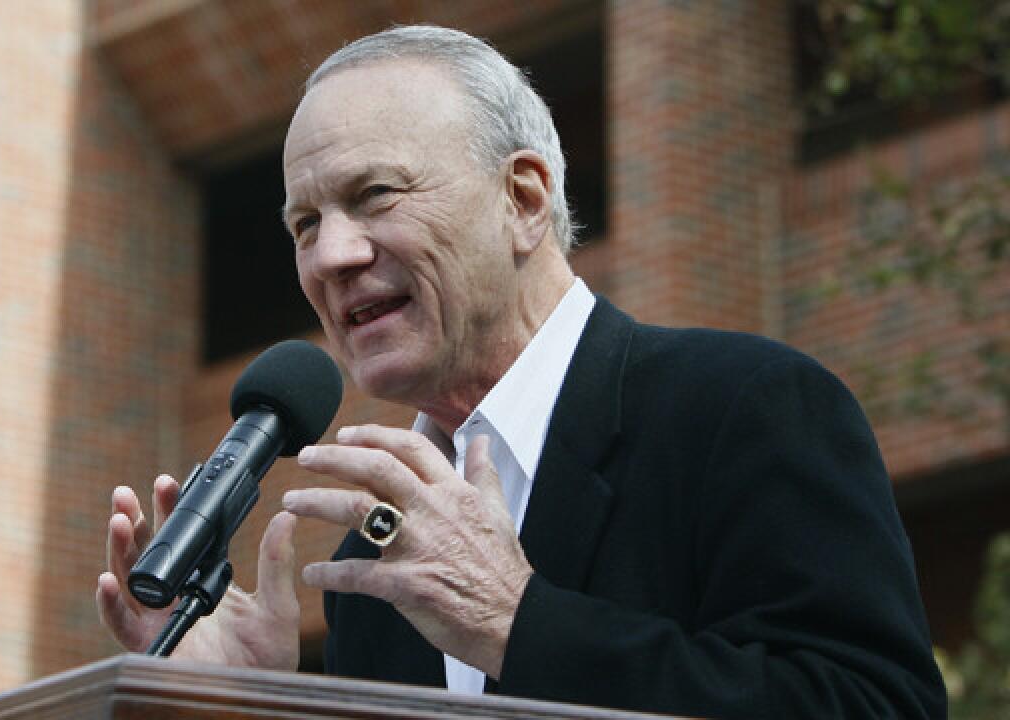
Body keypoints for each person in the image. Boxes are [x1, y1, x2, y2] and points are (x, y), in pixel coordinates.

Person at [96, 25, 946, 718]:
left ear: (526, 200)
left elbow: (873, 706)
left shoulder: (743, 408)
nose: (333, 255)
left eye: (377, 196)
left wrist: (515, 622)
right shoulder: (376, 560)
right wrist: (267, 709)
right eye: (304, 224)